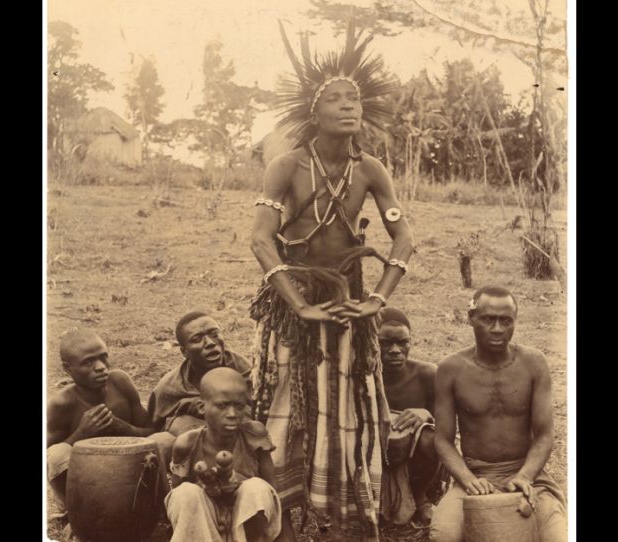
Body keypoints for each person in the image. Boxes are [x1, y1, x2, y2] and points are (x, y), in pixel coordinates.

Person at [249, 20, 414, 540]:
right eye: (338, 99)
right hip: (292, 305)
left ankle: (341, 517)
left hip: (350, 307)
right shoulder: (288, 166)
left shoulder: (371, 170)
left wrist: (377, 303)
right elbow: (260, 239)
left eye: (356, 99)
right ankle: (278, 516)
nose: (350, 107)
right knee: (285, 401)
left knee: (350, 406)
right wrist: (298, 306)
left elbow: (403, 241)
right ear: (313, 112)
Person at [429, 286, 567, 542]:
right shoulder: (450, 369)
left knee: (558, 536)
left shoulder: (534, 363)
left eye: (506, 320)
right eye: (488, 319)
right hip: (476, 474)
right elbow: (443, 440)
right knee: (443, 536)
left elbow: (545, 434)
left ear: (515, 321)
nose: (497, 329)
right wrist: (469, 480)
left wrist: (525, 476)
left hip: (528, 474)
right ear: (471, 319)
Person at [46, 329, 163, 514]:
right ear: (68, 369)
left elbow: (150, 431)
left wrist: (123, 428)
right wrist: (81, 434)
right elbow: (51, 458)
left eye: (103, 357)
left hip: (128, 472)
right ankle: (75, 514)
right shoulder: (61, 404)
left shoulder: (120, 382)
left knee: (164, 439)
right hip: (83, 482)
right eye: (88, 362)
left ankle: (157, 508)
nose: (101, 366)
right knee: (57, 453)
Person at [165, 367, 283, 542]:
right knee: (185, 493)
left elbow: (271, 490)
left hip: (246, 524)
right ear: (202, 407)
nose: (232, 414)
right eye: (222, 405)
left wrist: (236, 485)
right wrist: (208, 489)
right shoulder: (186, 444)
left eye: (239, 406)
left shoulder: (255, 434)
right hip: (204, 527)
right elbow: (177, 505)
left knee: (257, 487)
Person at [376, 307, 448, 526]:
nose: (395, 350)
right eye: (385, 343)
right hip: (376, 454)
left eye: (403, 342)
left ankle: (420, 496)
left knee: (431, 439)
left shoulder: (427, 374)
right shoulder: (362, 376)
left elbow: (446, 426)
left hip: (418, 459)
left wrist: (425, 414)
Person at [148, 311, 251, 436]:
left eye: (214, 334)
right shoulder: (170, 387)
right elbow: (153, 426)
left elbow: (258, 412)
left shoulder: (244, 371)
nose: (210, 343)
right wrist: (187, 405)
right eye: (197, 339)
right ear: (184, 352)